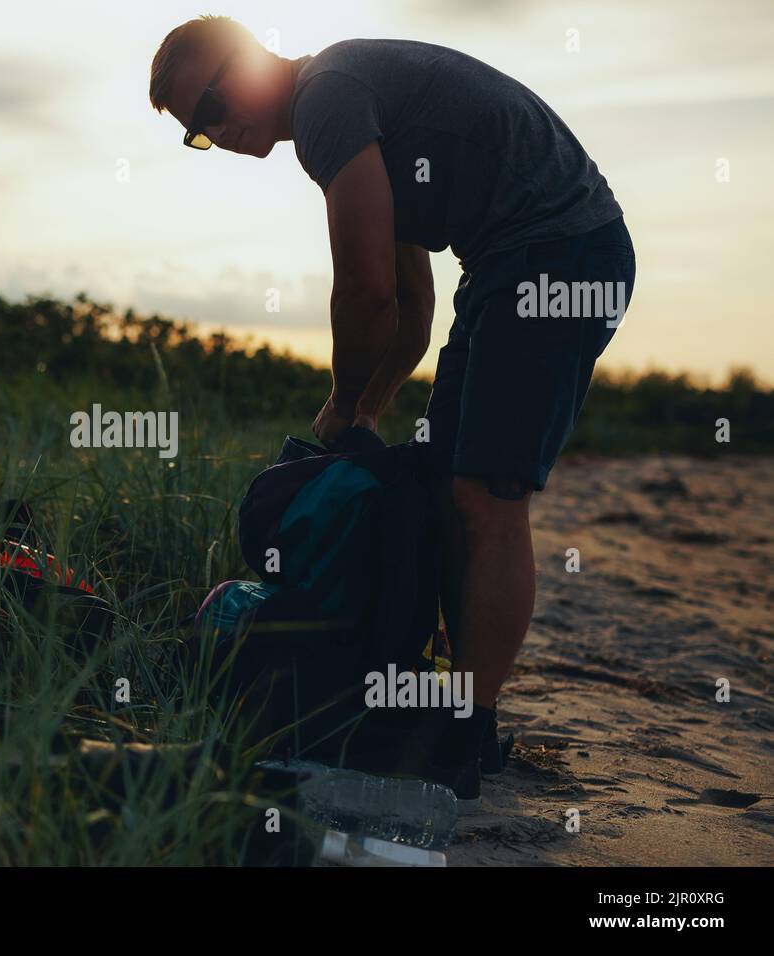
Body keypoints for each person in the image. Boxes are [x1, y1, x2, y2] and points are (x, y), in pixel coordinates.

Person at [149, 16, 635, 800]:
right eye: (194, 132)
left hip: (560, 255)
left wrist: (343, 395)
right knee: (446, 486)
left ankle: (464, 733)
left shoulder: (327, 101)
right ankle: (452, 708)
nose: (214, 130)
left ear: (249, 58)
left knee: (487, 496)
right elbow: (411, 308)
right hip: (506, 265)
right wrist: (364, 410)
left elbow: (367, 291)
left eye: (209, 105)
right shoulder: (338, 107)